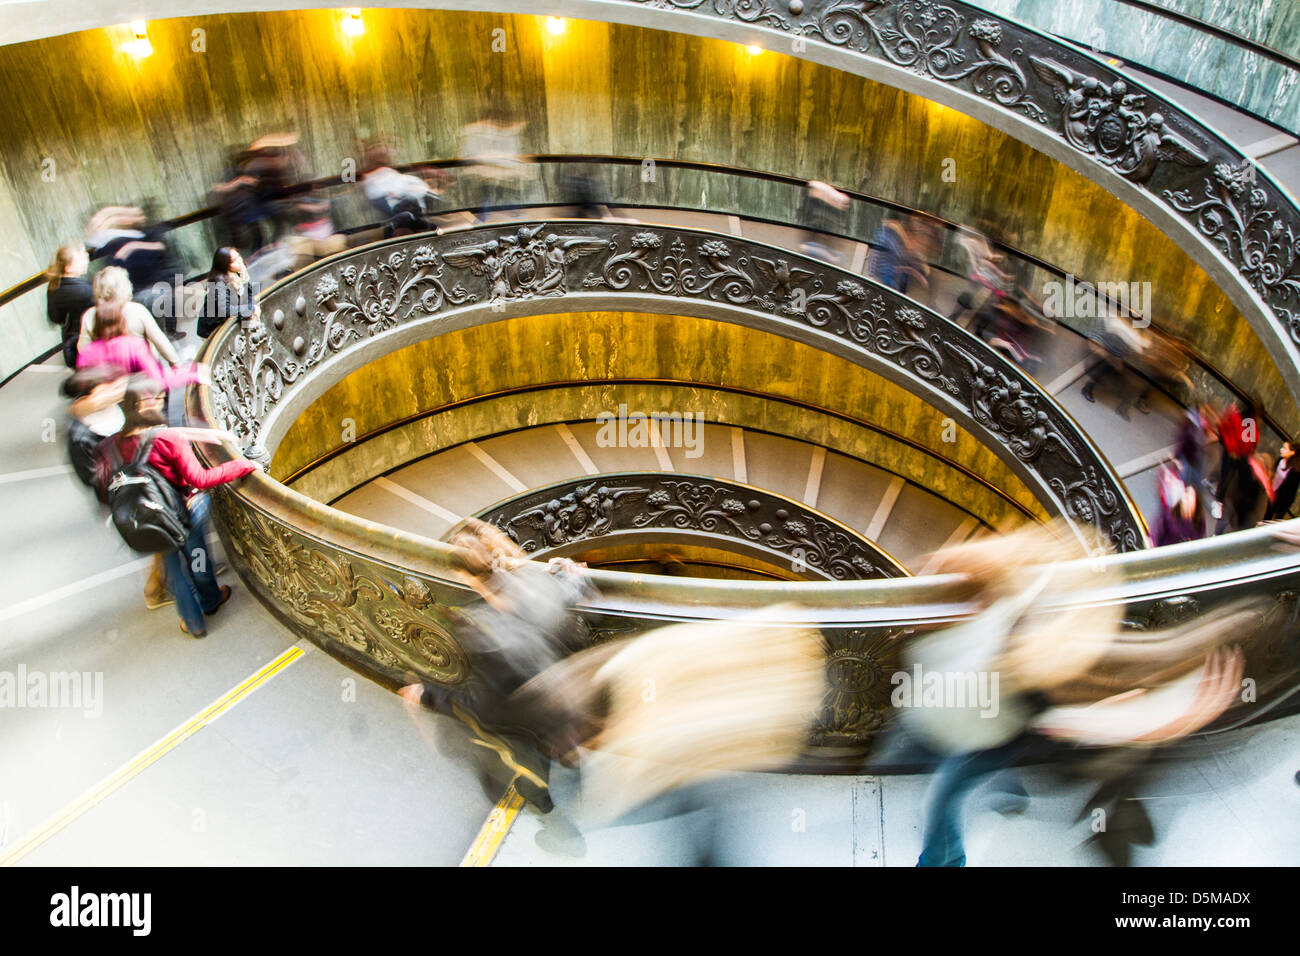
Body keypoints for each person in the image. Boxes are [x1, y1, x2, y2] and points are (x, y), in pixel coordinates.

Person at [399, 520, 594, 811]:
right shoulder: (537, 583)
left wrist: (428, 695)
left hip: (531, 720)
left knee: (528, 765)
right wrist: (572, 573)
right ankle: (575, 778)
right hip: (568, 697)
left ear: (462, 575)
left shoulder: (483, 633)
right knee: (565, 750)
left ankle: (540, 800)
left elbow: (487, 709)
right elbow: (571, 592)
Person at [101, 376, 259, 636]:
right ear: (143, 404)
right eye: (158, 398)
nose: (163, 402)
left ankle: (193, 623)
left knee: (174, 571)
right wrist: (242, 465)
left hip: (151, 517)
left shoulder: (117, 442)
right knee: (197, 559)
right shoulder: (168, 438)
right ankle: (211, 600)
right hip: (184, 508)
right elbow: (200, 479)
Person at [76, 267, 180, 367]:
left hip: (112, 374)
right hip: (144, 368)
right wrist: (174, 362)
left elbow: (83, 349)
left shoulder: (89, 315)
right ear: (123, 287)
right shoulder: (137, 310)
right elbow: (160, 341)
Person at [46, 243, 94, 367]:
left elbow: (55, 318)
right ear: (68, 267)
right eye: (80, 259)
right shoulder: (86, 290)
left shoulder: (54, 287)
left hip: (71, 347)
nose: (86, 262)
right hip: (88, 347)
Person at [198, 248, 260, 338]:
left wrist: (253, 307)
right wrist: (251, 309)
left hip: (228, 319)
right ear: (225, 265)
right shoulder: (219, 283)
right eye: (233, 261)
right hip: (213, 328)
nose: (239, 261)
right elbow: (225, 310)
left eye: (238, 256)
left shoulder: (240, 272)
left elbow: (248, 291)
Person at [1266, 441, 1298, 521]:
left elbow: (1290, 491)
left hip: (1282, 500)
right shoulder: (1280, 460)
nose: (1281, 450)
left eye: (1284, 448)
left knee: (1276, 518)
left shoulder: (1295, 471)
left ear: (1292, 452)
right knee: (1267, 515)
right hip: (1273, 493)